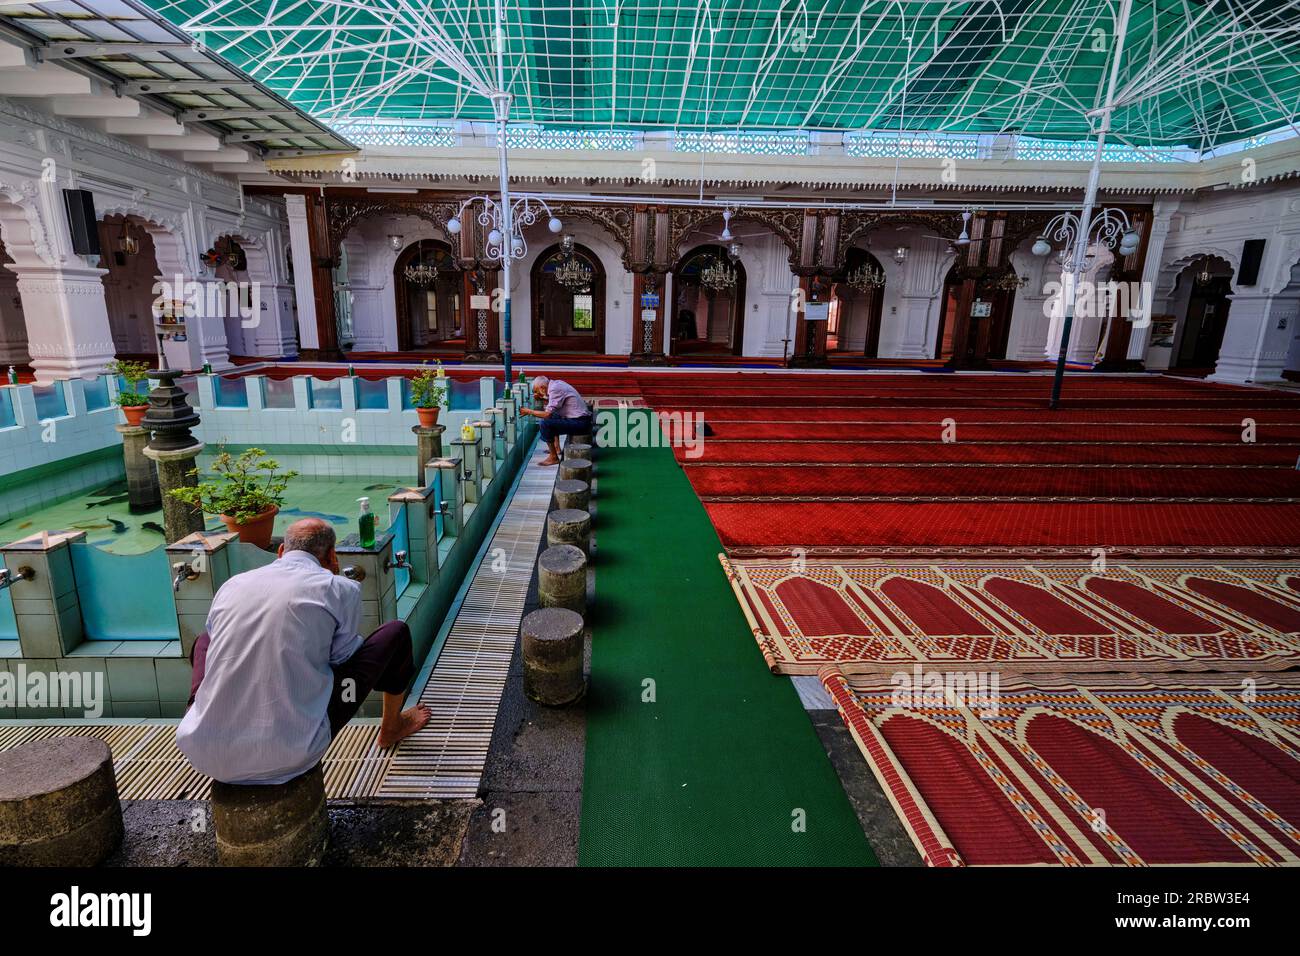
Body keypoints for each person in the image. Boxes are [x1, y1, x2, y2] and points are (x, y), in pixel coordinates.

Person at [176, 518, 431, 785]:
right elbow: (341, 659)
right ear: (332, 556)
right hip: (294, 752)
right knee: (395, 633)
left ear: (281, 552)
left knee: (206, 641)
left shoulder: (233, 585)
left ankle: (202, 714)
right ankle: (391, 727)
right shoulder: (340, 588)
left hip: (202, 751)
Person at [519, 375, 592, 466]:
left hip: (581, 423)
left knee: (545, 423)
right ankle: (556, 448)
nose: (537, 394)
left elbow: (547, 414)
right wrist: (542, 398)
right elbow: (552, 407)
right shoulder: (555, 384)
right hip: (580, 420)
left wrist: (528, 411)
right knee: (553, 416)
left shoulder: (555, 389)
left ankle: (553, 457)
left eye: (537, 391)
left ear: (542, 388)